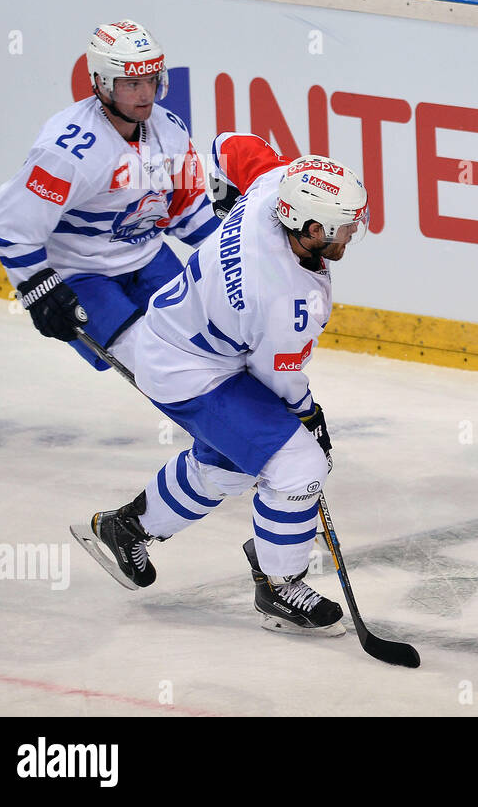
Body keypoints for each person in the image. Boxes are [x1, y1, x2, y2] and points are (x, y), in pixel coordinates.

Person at [70, 134, 369, 636]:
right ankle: (279, 583)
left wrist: (221, 190)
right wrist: (308, 416)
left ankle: (127, 528)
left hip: (184, 332)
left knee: (233, 465)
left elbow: (233, 143)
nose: (348, 236)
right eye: (340, 228)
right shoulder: (285, 297)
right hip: (191, 369)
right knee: (299, 463)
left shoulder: (275, 186)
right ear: (309, 225)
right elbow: (279, 377)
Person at [0, 20, 219, 375]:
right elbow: (9, 226)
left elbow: (186, 208)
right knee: (159, 368)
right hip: (83, 272)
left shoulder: (168, 129)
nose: (145, 95)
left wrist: (237, 251)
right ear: (101, 84)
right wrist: (38, 289)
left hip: (148, 258)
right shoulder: (70, 152)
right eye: (132, 84)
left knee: (210, 345)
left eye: (152, 80)